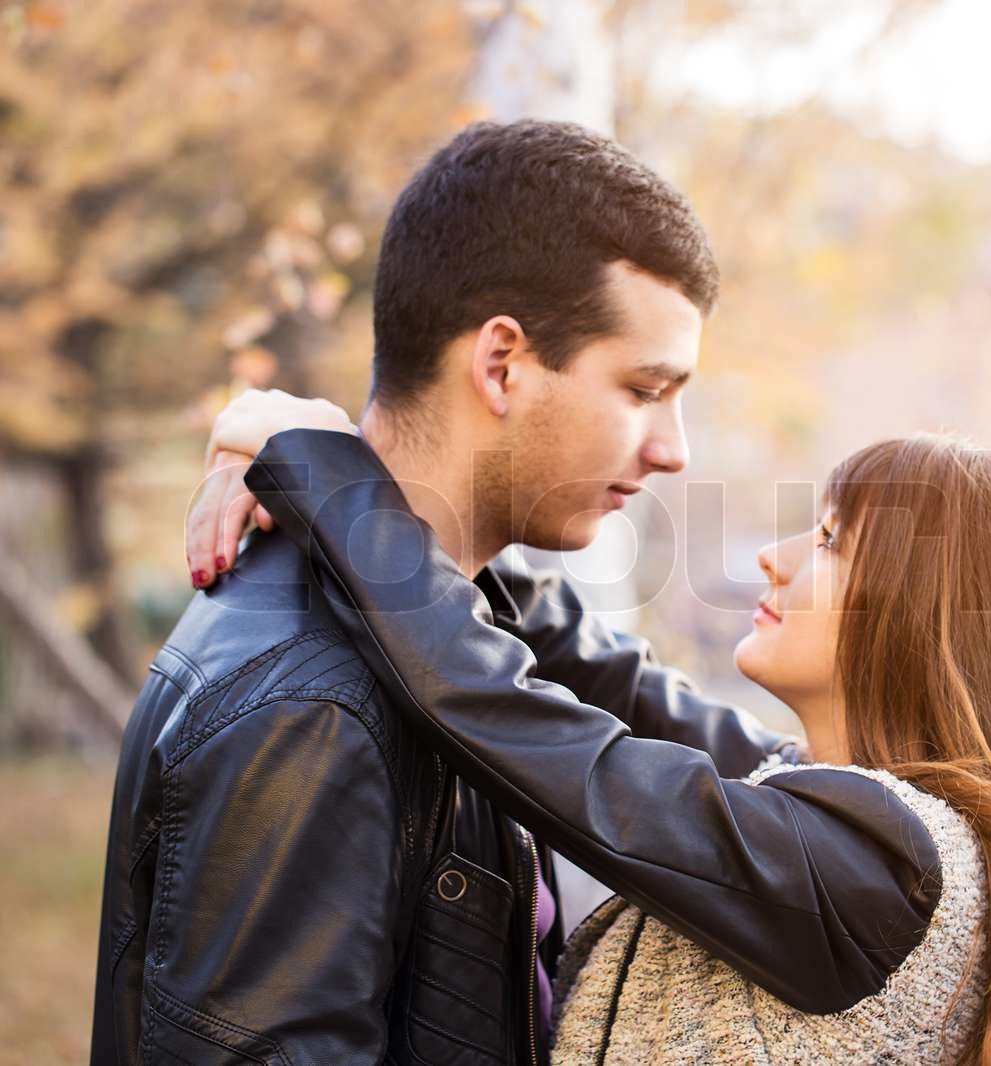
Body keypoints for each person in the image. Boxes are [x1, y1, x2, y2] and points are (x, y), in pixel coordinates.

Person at [90, 119, 796, 1066]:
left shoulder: (465, 626)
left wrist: (323, 467)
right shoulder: (312, 701)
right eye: (643, 389)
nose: (674, 448)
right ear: (500, 363)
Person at [195, 393, 991, 1063]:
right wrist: (333, 444)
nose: (778, 558)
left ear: (924, 615)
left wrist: (319, 466)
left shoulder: (873, 867)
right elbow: (599, 669)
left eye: (832, 539)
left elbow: (512, 717)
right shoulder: (847, 829)